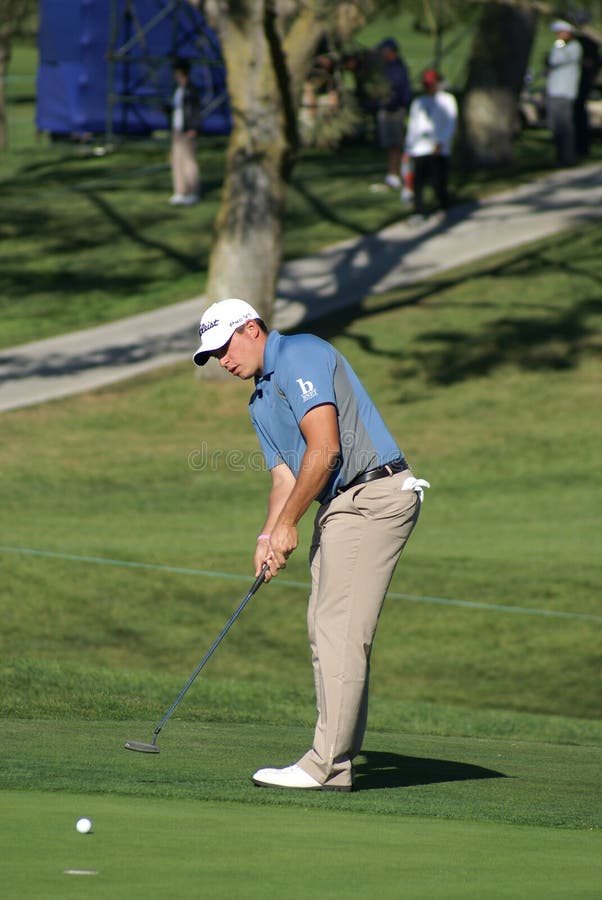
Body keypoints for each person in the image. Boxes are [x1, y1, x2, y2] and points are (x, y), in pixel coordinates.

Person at [192, 298, 429, 791]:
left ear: (252, 329)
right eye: (213, 355)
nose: (223, 361)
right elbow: (285, 476)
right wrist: (268, 533)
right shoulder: (259, 400)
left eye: (225, 347)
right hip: (341, 506)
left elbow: (324, 450)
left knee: (340, 629)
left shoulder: (300, 353)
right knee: (325, 629)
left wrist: (290, 525)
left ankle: (324, 764)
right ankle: (336, 765)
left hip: (372, 496)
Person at [402, 68, 458, 222]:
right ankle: (418, 211)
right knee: (417, 182)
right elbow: (413, 127)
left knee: (438, 180)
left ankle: (444, 206)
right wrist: (408, 147)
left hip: (438, 148)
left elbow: (451, 123)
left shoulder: (447, 100)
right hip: (419, 148)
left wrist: (442, 142)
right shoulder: (418, 102)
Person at [375, 38, 412, 189]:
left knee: (396, 144)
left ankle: (398, 174)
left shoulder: (398, 68)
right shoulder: (384, 67)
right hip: (386, 110)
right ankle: (392, 174)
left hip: (395, 111)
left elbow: (401, 91)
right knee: (389, 144)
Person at [545, 20, 583, 167]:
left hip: (564, 91)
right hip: (555, 90)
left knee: (564, 126)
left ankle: (568, 157)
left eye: (560, 32)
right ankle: (560, 157)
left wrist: (559, 43)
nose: (558, 35)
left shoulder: (573, 47)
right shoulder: (564, 47)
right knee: (555, 126)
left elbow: (555, 59)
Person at [168, 59, 202, 206]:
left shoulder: (191, 89)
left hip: (188, 129)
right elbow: (178, 108)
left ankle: (193, 191)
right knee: (176, 160)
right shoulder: (178, 89)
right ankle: (180, 191)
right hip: (177, 129)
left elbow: (194, 111)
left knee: (189, 160)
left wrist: (193, 127)